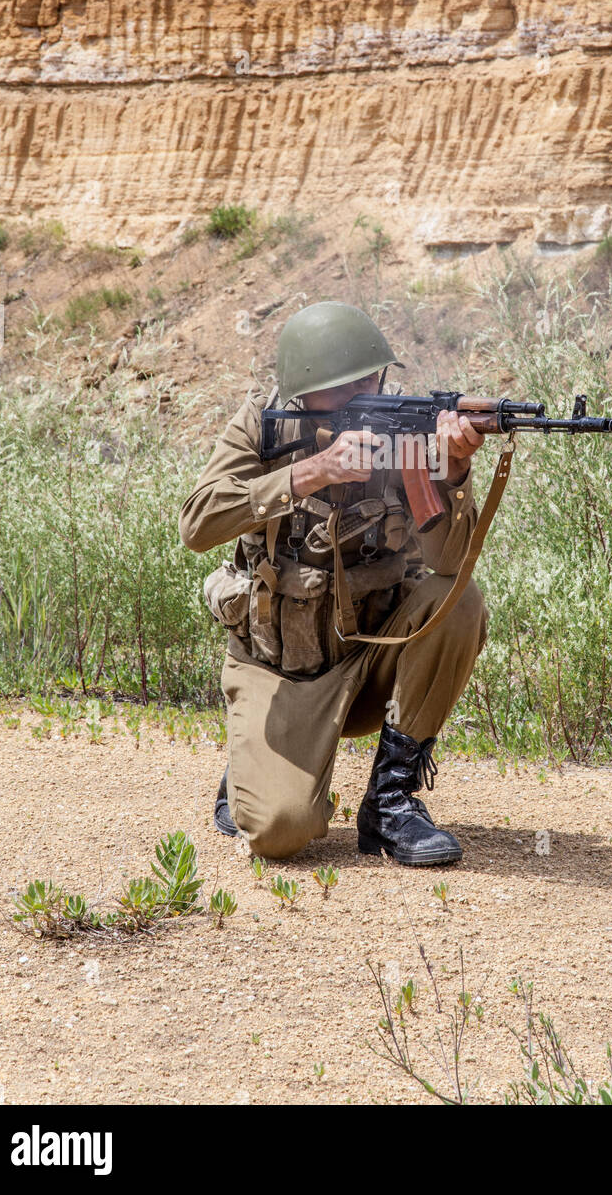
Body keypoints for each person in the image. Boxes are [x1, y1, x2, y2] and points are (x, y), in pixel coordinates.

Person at [178, 300, 488, 866]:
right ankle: (256, 762)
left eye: (370, 378)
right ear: (301, 389)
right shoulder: (260, 423)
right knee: (280, 833)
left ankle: (391, 802)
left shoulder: (404, 431)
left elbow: (450, 563)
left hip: (371, 661)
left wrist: (455, 472)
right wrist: (310, 472)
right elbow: (197, 523)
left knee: (458, 600)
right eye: (341, 387)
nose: (361, 394)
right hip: (280, 668)